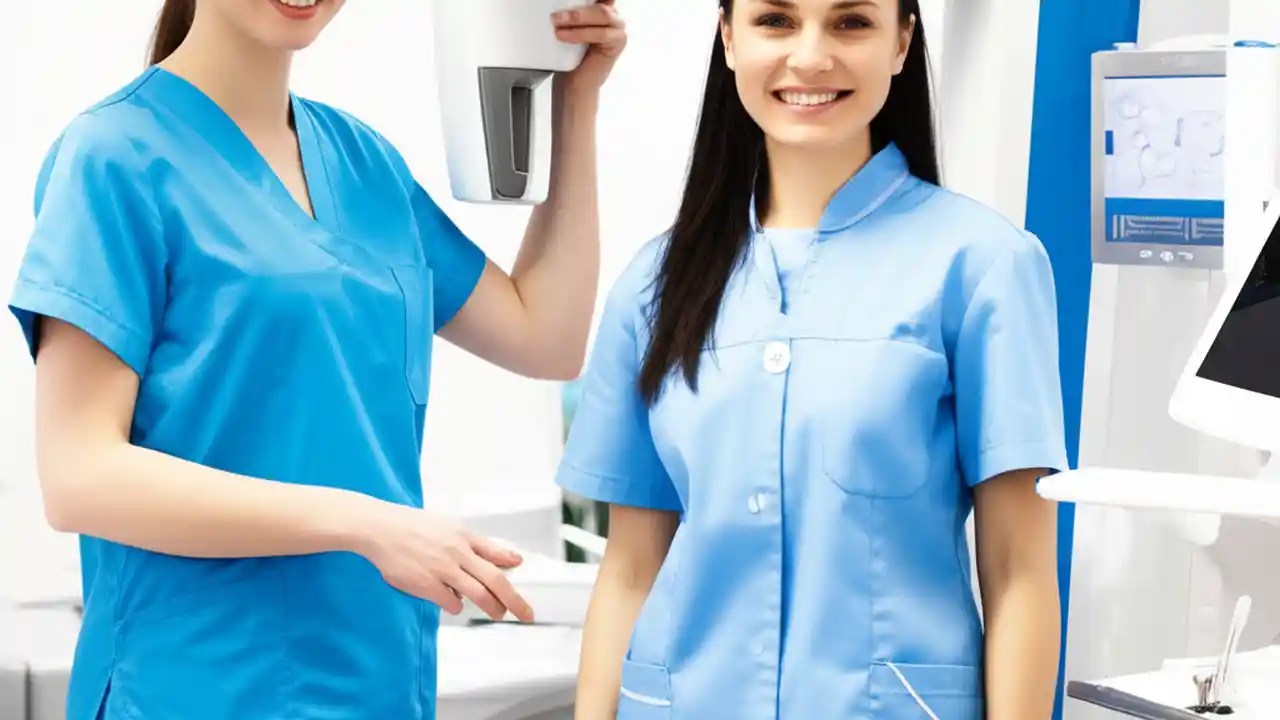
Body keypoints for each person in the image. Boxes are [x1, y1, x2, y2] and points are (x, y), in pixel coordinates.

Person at [7, 0, 625, 718]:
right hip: (198, 688)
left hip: (375, 682)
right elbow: (81, 478)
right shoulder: (115, 157)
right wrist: (367, 524)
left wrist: (575, 106)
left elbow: (546, 337)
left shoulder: (365, 165)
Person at [556, 0, 1067, 718]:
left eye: (851, 22)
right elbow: (631, 570)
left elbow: (1019, 573)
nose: (811, 56)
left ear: (901, 43)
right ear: (729, 38)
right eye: (776, 21)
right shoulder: (654, 283)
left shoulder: (983, 266)